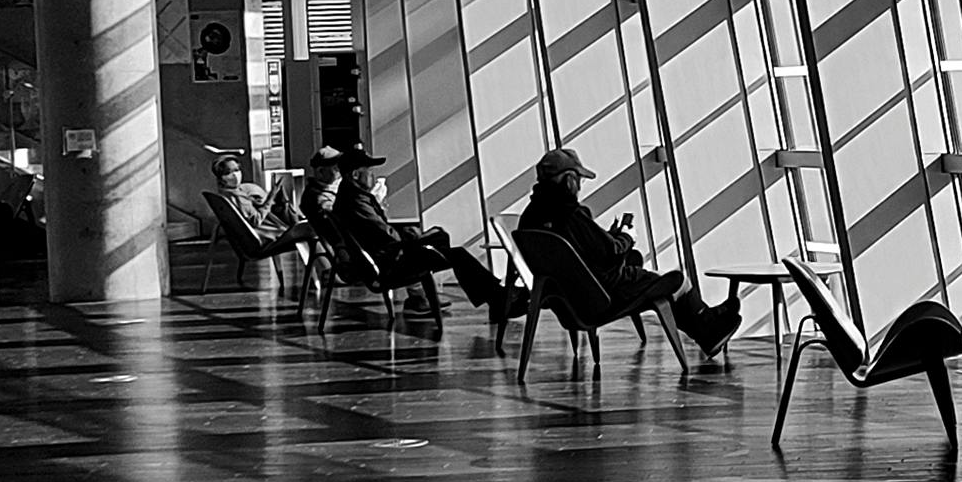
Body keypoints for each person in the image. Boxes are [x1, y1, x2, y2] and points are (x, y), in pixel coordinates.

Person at [515, 147, 741, 355]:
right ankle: (708, 327)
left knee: (640, 265)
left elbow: (584, 249)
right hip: (604, 296)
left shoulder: (530, 218)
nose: (580, 186)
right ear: (569, 180)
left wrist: (608, 237)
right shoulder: (571, 214)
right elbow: (610, 253)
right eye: (579, 180)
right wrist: (627, 237)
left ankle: (707, 321)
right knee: (677, 281)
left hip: (569, 302)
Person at [307, 143, 523, 330]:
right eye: (369, 171)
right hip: (390, 262)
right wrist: (414, 237)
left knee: (443, 244)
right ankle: (499, 300)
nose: (372, 175)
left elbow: (379, 232)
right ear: (356, 175)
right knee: (455, 253)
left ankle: (498, 299)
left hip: (385, 257)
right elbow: (386, 236)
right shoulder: (356, 201)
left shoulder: (352, 197)